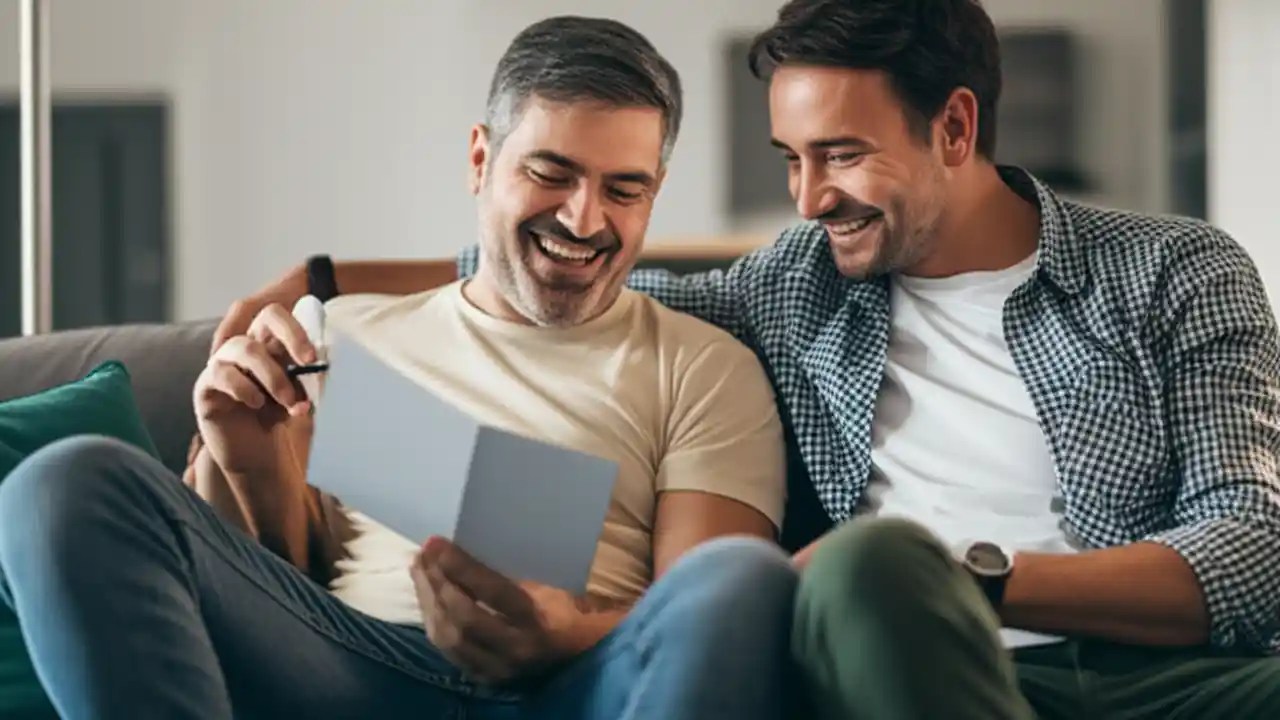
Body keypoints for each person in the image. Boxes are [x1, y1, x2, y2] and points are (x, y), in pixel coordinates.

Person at [222, 1, 1280, 718]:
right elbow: (567, 256)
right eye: (790, 159)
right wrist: (314, 282)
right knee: (868, 569)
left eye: (841, 156)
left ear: (954, 128)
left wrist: (970, 580)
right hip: (891, 660)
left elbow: (1251, 551)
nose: (808, 197)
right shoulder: (792, 284)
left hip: (1167, 681)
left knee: (883, 564)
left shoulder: (1170, 269)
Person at [0, 16, 800, 720]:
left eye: (623, 189)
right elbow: (279, 582)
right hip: (352, 663)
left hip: (587, 681)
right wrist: (247, 458)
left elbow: (704, 602)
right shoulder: (339, 336)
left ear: (655, 193)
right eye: (550, 173)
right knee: (62, 481)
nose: (583, 218)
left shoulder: (703, 367)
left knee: (742, 579)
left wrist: (564, 633)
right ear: (480, 158)